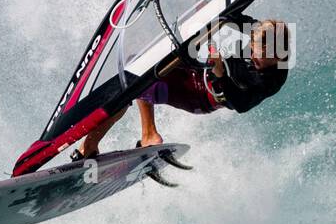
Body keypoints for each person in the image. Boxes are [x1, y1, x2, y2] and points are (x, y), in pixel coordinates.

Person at [74, 15, 291, 158]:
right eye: (251, 50)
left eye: (259, 56)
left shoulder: (271, 80)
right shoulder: (262, 34)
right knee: (138, 60)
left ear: (277, 54)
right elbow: (232, 16)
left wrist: (221, 74)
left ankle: (88, 148)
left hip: (198, 96)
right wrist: (218, 18)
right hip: (195, 72)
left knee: (132, 82)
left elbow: (241, 104)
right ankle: (148, 134)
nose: (252, 57)